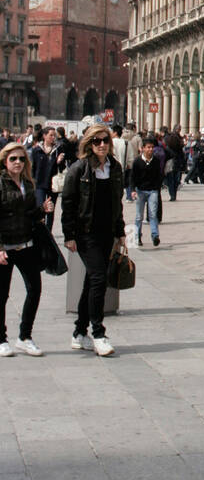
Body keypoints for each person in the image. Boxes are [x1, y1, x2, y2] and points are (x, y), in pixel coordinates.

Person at [61, 124, 127, 357]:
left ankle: (79, 333)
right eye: (97, 141)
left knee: (91, 282)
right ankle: (98, 333)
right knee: (99, 278)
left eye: (105, 141)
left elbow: (117, 203)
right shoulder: (79, 169)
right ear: (89, 144)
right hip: (86, 233)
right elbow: (68, 203)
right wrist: (68, 234)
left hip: (106, 232)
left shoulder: (115, 168)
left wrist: (120, 232)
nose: (102, 145)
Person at [0, 142, 53, 356]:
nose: (18, 163)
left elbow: (29, 214)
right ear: (5, 161)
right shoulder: (1, 183)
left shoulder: (27, 183)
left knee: (35, 289)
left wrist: (42, 210)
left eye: (22, 159)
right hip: (6, 247)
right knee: (2, 294)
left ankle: (24, 336)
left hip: (26, 244)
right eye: (13, 159)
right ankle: (1, 339)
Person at [131, 135, 162, 246]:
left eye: (152, 147)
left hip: (153, 190)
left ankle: (155, 236)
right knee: (139, 216)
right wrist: (133, 189)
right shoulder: (137, 161)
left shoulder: (156, 161)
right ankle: (137, 236)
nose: (150, 149)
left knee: (153, 214)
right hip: (140, 190)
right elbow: (133, 176)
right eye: (148, 147)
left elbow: (159, 175)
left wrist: (158, 188)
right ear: (143, 148)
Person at [31, 126, 59, 234]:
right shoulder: (36, 150)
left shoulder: (58, 149)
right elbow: (33, 167)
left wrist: (59, 161)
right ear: (44, 136)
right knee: (41, 208)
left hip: (53, 184)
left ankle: (48, 233)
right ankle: (40, 231)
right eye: (51, 135)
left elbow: (62, 169)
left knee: (51, 210)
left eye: (54, 135)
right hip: (39, 183)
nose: (53, 137)